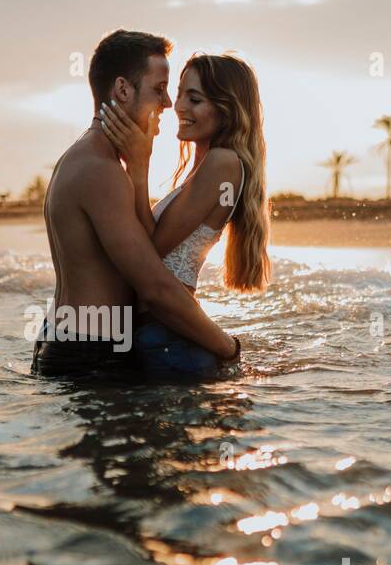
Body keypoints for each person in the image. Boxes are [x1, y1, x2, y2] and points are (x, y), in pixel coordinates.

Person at [31, 29, 240, 379]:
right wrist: (228, 348)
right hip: (91, 354)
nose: (168, 104)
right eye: (159, 89)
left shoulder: (85, 157)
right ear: (123, 90)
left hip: (69, 341)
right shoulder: (101, 170)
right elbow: (156, 288)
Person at [98, 53, 270, 376]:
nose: (178, 107)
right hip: (161, 337)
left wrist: (139, 164)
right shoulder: (203, 167)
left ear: (226, 109)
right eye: (179, 94)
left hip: (170, 343)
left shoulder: (222, 163)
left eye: (195, 99)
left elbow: (148, 251)